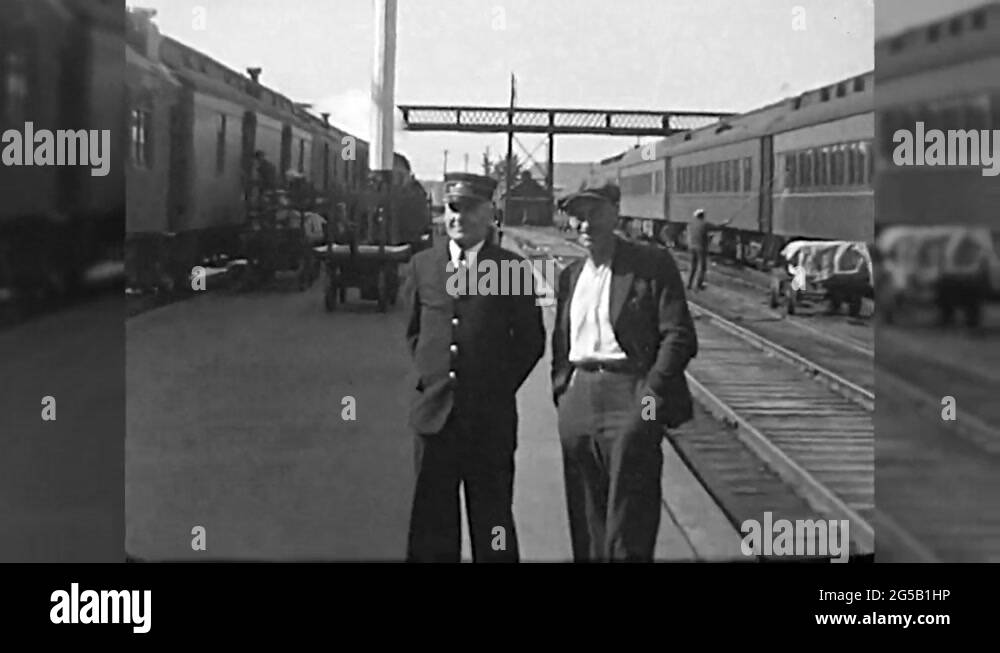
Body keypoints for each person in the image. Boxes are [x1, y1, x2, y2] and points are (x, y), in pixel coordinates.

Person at [552, 181, 698, 562]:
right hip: (580, 396)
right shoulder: (569, 275)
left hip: (634, 394)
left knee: (630, 518)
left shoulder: (650, 264)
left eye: (595, 213)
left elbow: (679, 335)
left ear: (616, 213)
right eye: (578, 216)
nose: (585, 224)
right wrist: (563, 391)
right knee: (586, 516)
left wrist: (649, 397)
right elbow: (560, 343)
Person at [404, 172, 545, 562]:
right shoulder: (423, 265)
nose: (458, 217)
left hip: (489, 422)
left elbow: (531, 343)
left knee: (493, 521)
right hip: (434, 418)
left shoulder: (510, 269)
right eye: (452, 208)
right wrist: (434, 380)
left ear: (489, 213)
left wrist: (493, 387)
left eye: (468, 209)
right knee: (432, 524)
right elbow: (415, 333)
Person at [686, 208, 732, 290]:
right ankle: (698, 285)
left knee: (693, 266)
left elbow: (696, 233)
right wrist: (725, 223)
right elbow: (717, 227)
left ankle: (689, 284)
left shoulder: (691, 224)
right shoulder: (704, 224)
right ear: (702, 216)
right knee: (702, 267)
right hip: (700, 247)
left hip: (691, 247)